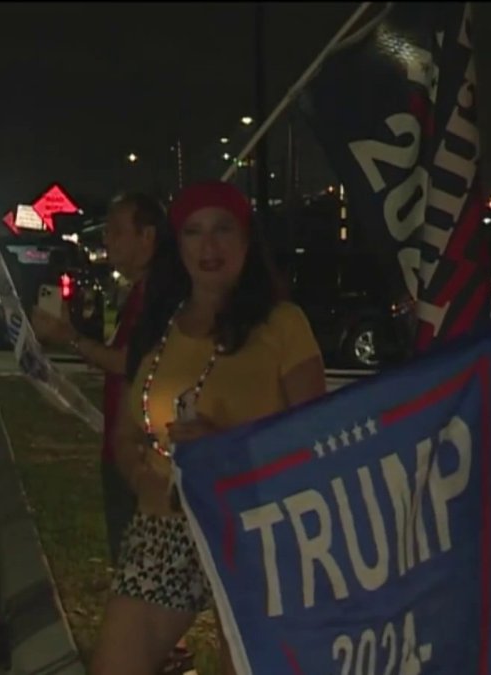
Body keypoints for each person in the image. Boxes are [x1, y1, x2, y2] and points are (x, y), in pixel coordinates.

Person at [89, 180, 327, 675]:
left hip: (256, 529)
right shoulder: (160, 325)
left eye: (223, 229)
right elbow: (127, 433)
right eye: (194, 232)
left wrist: (225, 449)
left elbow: (314, 436)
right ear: (178, 246)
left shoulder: (282, 324)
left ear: (246, 241)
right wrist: (143, 479)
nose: (209, 246)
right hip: (166, 527)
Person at [31, 192, 196, 673]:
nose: (107, 241)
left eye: (116, 231)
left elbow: (131, 362)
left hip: (137, 453)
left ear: (148, 236)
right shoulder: (144, 290)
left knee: (137, 568)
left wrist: (69, 340)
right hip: (125, 443)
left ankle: (154, 655)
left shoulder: (160, 295)